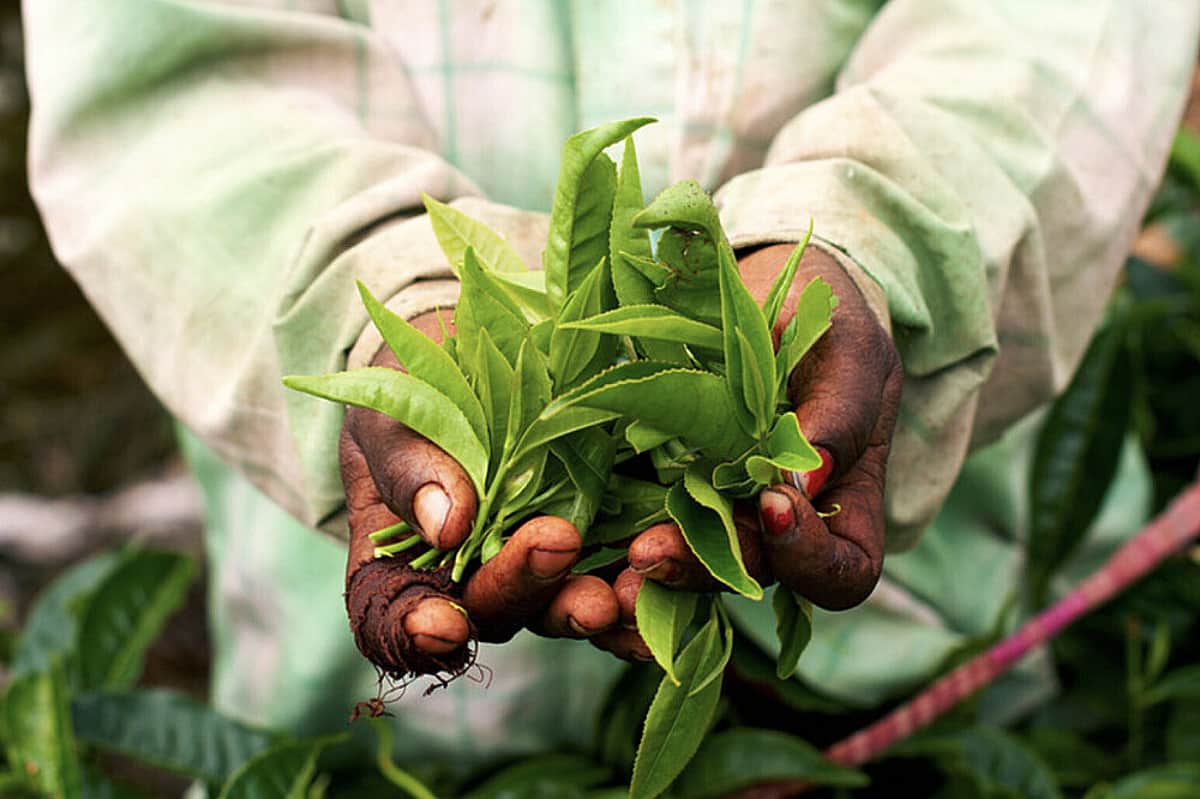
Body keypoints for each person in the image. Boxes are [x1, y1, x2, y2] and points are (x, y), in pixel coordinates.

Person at [24, 0, 1200, 766]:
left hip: (935, 633)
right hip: (359, 696)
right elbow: (166, 88)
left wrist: (877, 245)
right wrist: (375, 309)